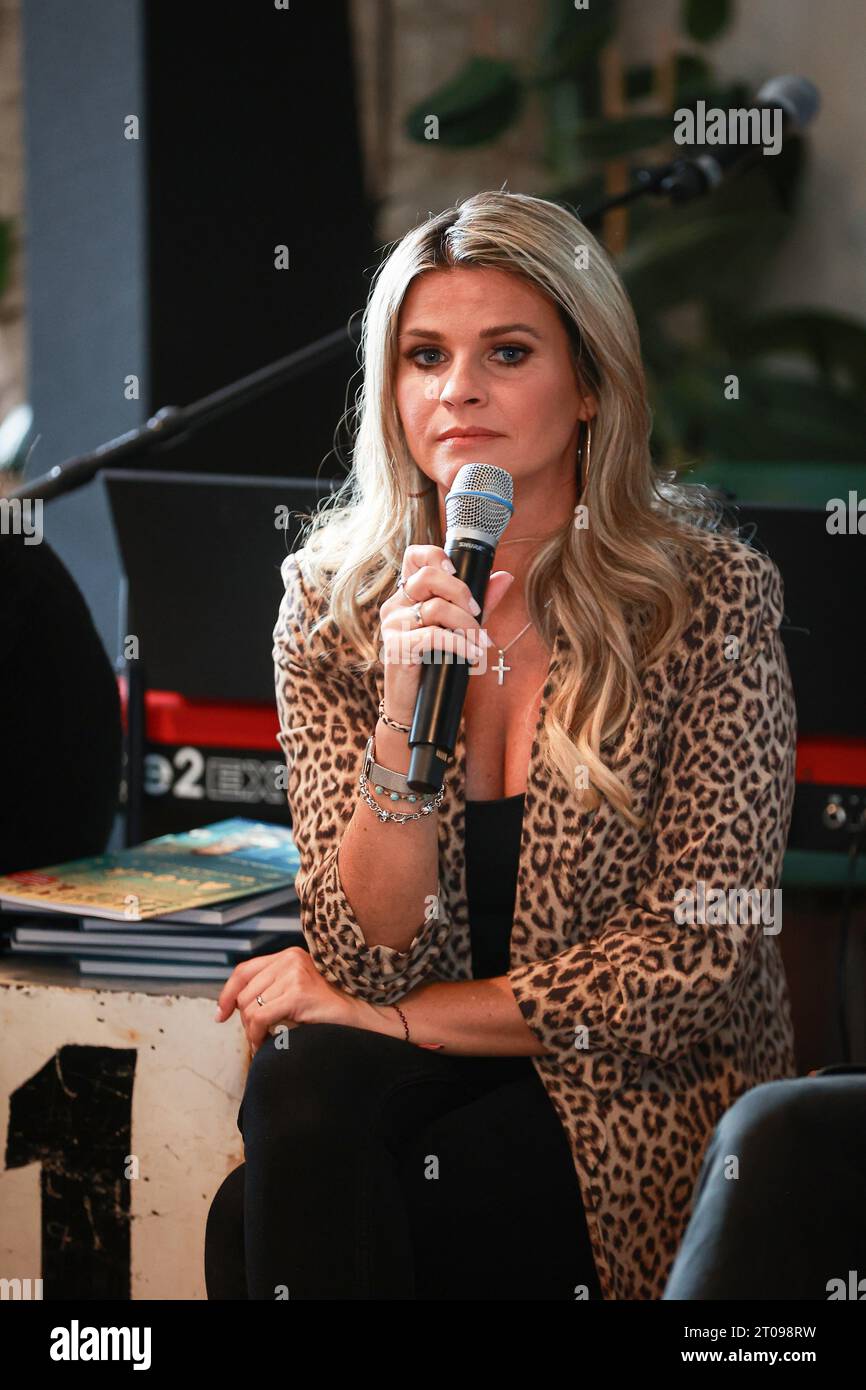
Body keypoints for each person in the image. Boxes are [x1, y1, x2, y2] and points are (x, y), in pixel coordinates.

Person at [205, 189, 798, 1301]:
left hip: (633, 1083)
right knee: (296, 1082)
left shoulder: (706, 599)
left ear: (586, 386)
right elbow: (363, 946)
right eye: (423, 355)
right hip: (416, 1066)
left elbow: (695, 961)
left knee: (274, 1221)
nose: (457, 390)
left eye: (505, 352)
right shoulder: (333, 603)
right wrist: (402, 712)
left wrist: (391, 1020)